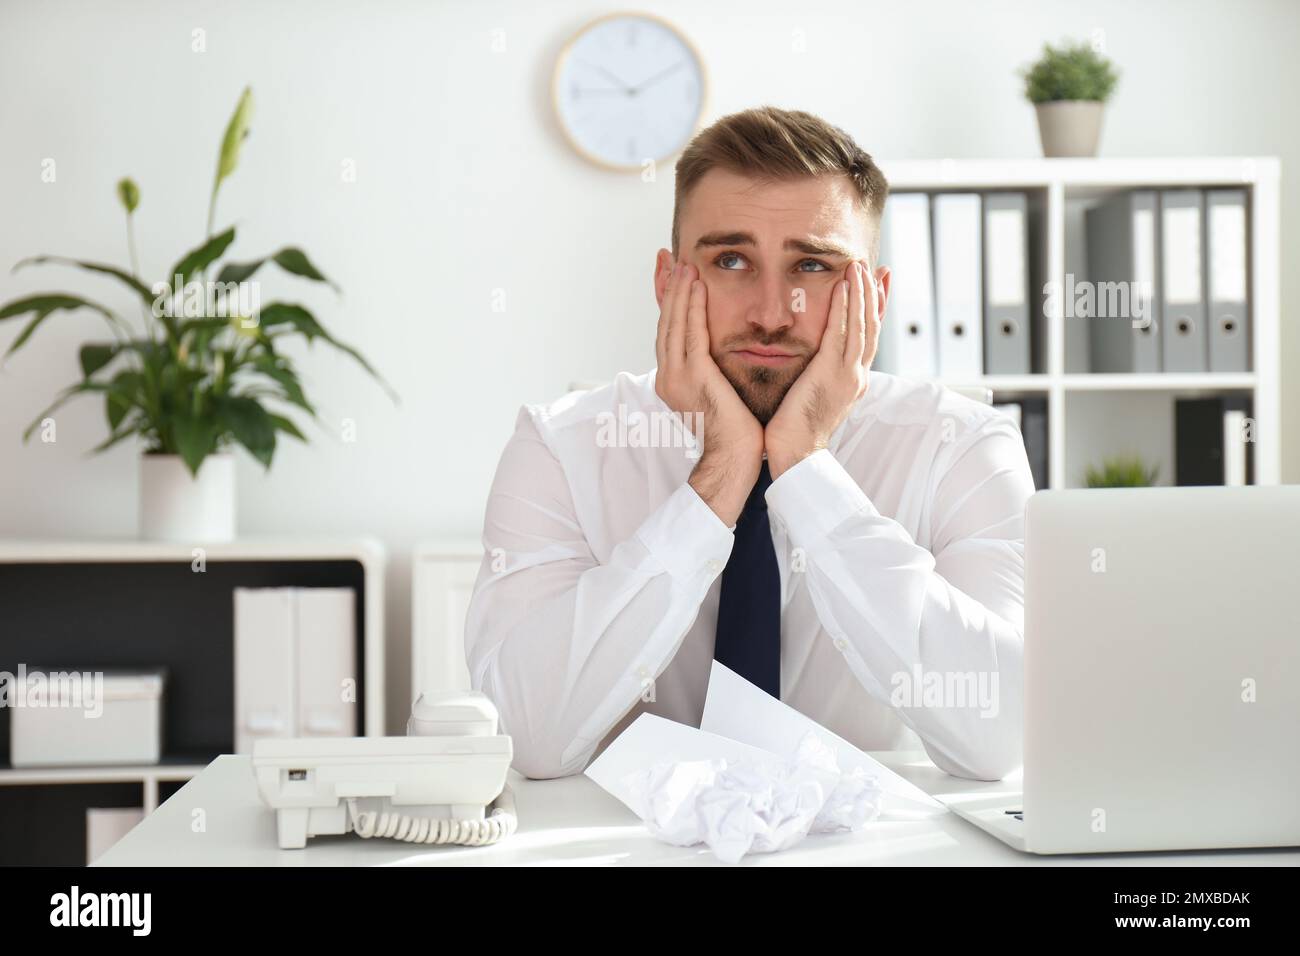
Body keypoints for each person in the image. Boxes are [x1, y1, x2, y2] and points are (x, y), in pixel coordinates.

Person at [464, 106, 1034, 781]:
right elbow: (528, 738)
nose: (770, 310)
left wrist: (806, 470)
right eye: (731, 259)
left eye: (814, 266)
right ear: (667, 282)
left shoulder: (961, 447)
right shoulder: (559, 447)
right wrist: (723, 474)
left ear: (874, 298)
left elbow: (1001, 739)